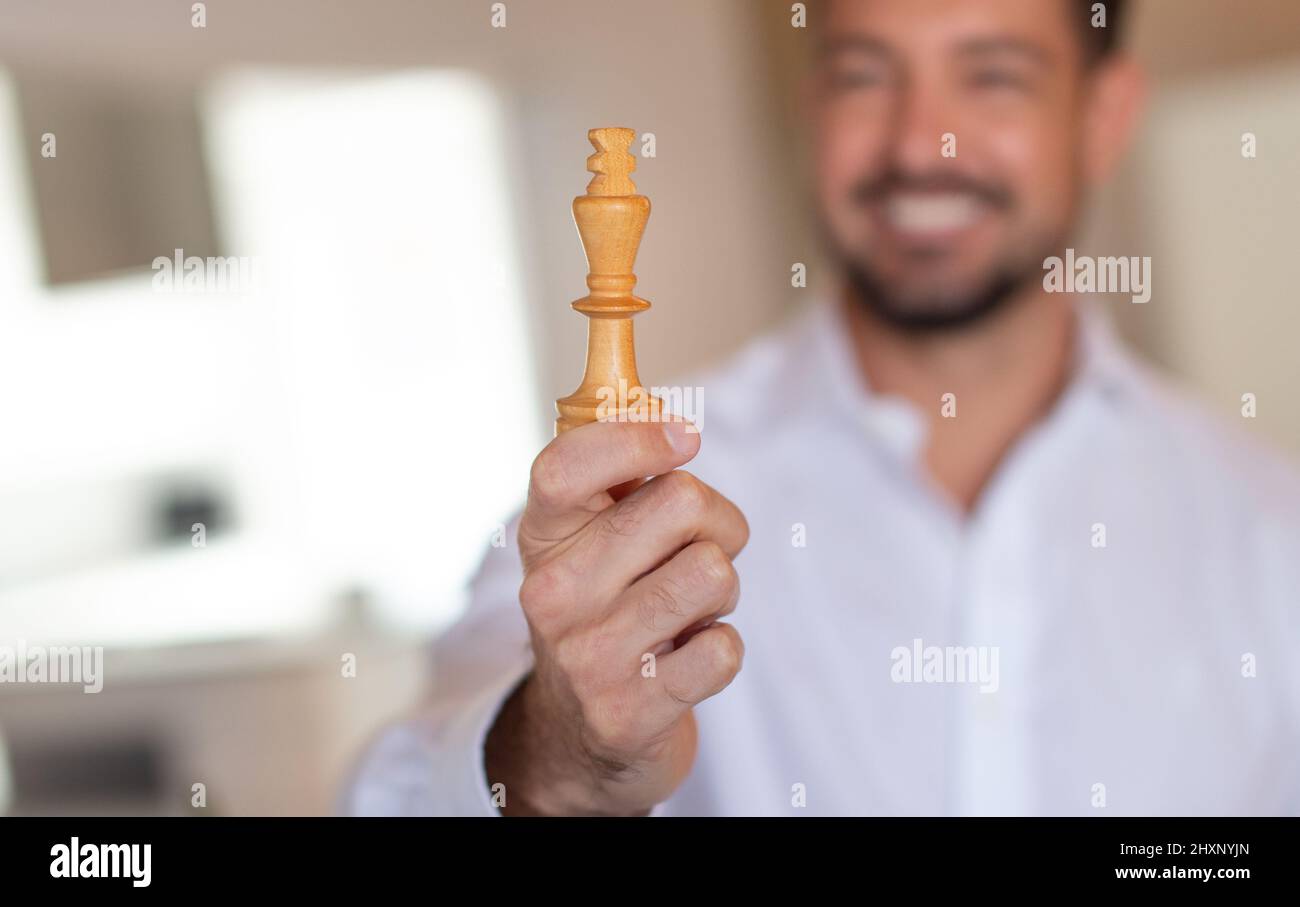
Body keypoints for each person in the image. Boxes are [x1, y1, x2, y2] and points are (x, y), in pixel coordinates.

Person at [347, 0, 1300, 816]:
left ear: (1104, 115)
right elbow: (396, 791)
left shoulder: (1270, 525)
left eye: (993, 76)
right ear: (812, 105)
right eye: (863, 74)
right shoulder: (622, 494)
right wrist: (556, 757)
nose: (922, 143)